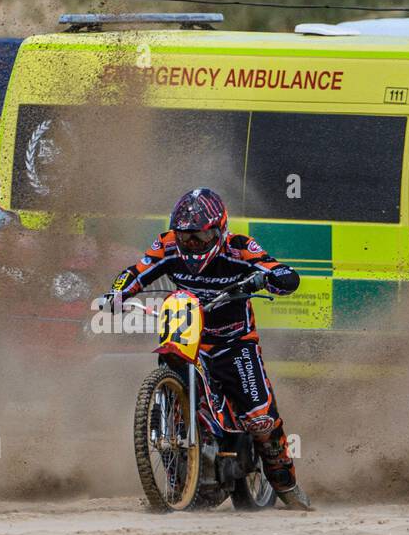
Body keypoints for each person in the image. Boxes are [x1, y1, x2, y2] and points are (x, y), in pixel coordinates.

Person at [103, 187, 311, 510]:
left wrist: (269, 279)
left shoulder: (239, 248)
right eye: (186, 238)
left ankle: (287, 485)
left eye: (201, 237)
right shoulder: (167, 246)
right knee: (169, 373)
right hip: (190, 339)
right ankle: (180, 478)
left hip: (235, 342)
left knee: (260, 418)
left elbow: (281, 273)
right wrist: (116, 294)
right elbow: (136, 272)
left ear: (220, 230)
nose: (193, 244)